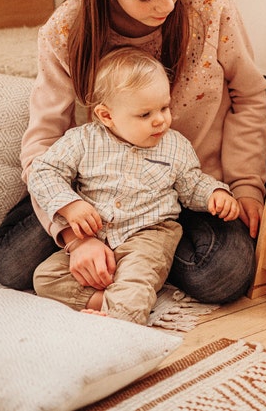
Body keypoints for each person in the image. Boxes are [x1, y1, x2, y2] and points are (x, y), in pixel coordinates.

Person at [0, 0, 266, 304]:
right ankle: (132, 265)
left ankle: (138, 257)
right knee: (10, 265)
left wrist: (246, 187)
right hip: (96, 195)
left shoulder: (209, 3)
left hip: (187, 189)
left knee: (226, 275)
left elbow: (250, 92)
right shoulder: (66, 31)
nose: (167, 4)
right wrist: (73, 236)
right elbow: (42, 144)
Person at [30, 47, 240, 324]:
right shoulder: (82, 140)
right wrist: (71, 206)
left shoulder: (175, 146)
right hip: (99, 235)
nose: (160, 120)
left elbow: (191, 184)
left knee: (136, 279)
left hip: (149, 234)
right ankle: (108, 302)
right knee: (44, 278)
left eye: (164, 108)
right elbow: (43, 171)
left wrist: (215, 193)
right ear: (107, 116)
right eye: (144, 115)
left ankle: (120, 323)